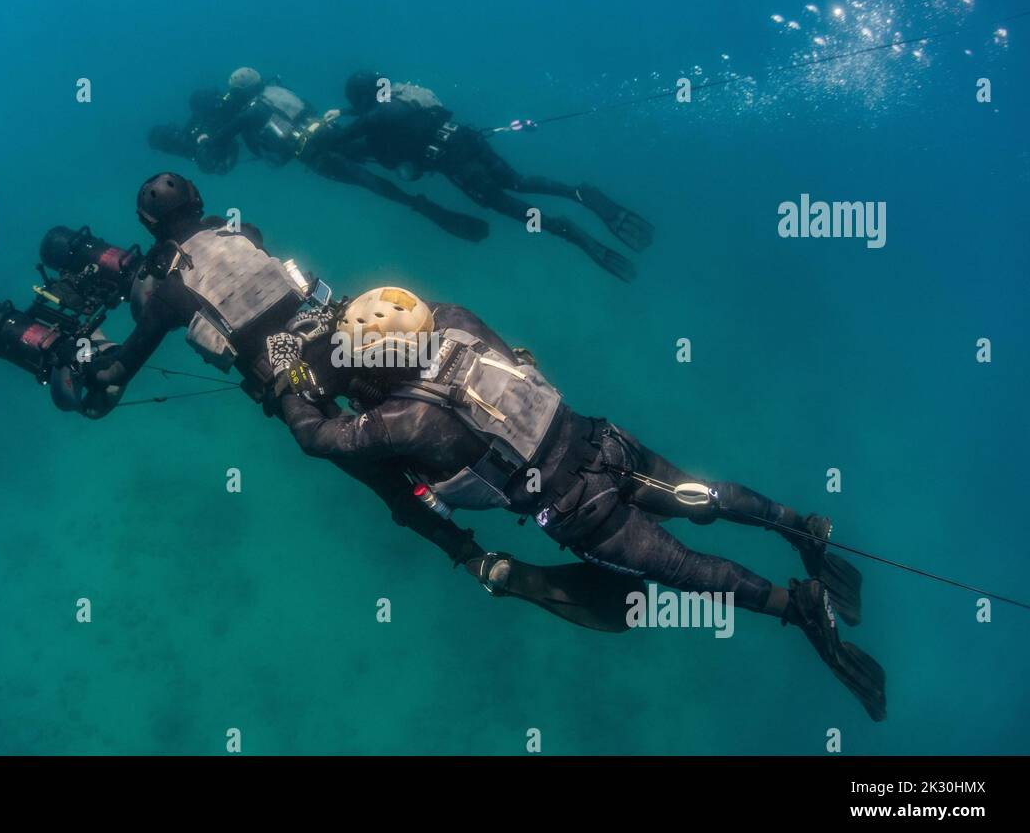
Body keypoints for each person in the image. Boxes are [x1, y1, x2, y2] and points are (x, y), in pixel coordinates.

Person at [0, 172, 639, 627]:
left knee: (379, 472)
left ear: (144, 226)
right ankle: (556, 480)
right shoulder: (245, 231)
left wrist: (81, 364)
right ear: (199, 201)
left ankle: (480, 562)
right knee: (433, 409)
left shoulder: (161, 290)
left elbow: (119, 373)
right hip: (340, 337)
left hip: (290, 378)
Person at [274, 286, 886, 721]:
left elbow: (318, 438)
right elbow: (406, 327)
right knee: (700, 497)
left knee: (685, 570)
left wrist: (288, 373)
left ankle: (797, 607)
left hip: (579, 509)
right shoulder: (454, 318)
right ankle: (801, 528)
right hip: (604, 442)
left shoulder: (405, 423)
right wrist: (343, 322)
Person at [324, 70, 656, 282]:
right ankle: (578, 193)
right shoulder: (399, 99)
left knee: (499, 202)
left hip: (454, 162)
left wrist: (326, 130)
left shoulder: (377, 117)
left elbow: (345, 138)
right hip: (468, 138)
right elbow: (372, 115)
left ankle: (562, 228)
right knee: (517, 180)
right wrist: (342, 112)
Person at [181, 67, 490, 242]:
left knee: (365, 180)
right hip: (327, 133)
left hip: (314, 154)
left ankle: (422, 206)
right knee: (373, 158)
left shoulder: (249, 112)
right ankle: (428, 158)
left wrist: (203, 138)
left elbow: (221, 140)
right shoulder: (278, 91)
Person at [147, 88, 241, 175]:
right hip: (211, 147)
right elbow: (218, 166)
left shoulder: (200, 121)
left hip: (215, 145)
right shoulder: (198, 122)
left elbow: (220, 166)